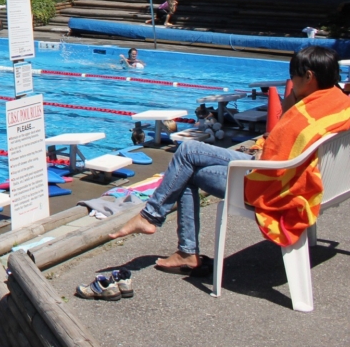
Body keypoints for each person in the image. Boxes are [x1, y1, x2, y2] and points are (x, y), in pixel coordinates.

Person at [109, 46, 350, 272]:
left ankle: (156, 222)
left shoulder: (301, 117)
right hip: (314, 181)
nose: (291, 82)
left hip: (272, 188)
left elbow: (270, 162)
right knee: (187, 161)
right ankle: (174, 241)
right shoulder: (339, 102)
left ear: (308, 77)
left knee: (187, 154)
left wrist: (288, 108)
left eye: (293, 76)